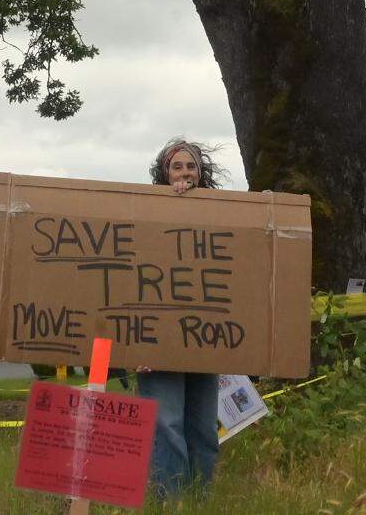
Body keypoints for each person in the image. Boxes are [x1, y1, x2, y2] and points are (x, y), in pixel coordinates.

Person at [137, 136, 226, 501]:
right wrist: (134, 343)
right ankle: (170, 503)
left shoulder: (223, 213)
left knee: (204, 428)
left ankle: (200, 500)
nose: (185, 173)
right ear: (164, 173)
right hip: (158, 344)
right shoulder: (145, 213)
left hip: (204, 341)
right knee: (167, 425)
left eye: (191, 166)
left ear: (201, 173)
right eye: (177, 166)